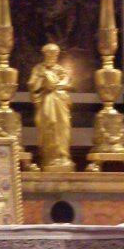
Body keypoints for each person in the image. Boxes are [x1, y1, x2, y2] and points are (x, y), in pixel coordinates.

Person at [28, 43, 75, 172]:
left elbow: (69, 82)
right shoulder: (39, 69)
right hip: (46, 102)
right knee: (50, 125)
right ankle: (50, 157)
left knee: (63, 126)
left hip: (60, 102)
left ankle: (63, 156)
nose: (52, 56)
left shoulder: (60, 69)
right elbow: (32, 84)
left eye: (55, 54)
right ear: (44, 54)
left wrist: (58, 85)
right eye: (49, 54)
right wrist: (43, 80)